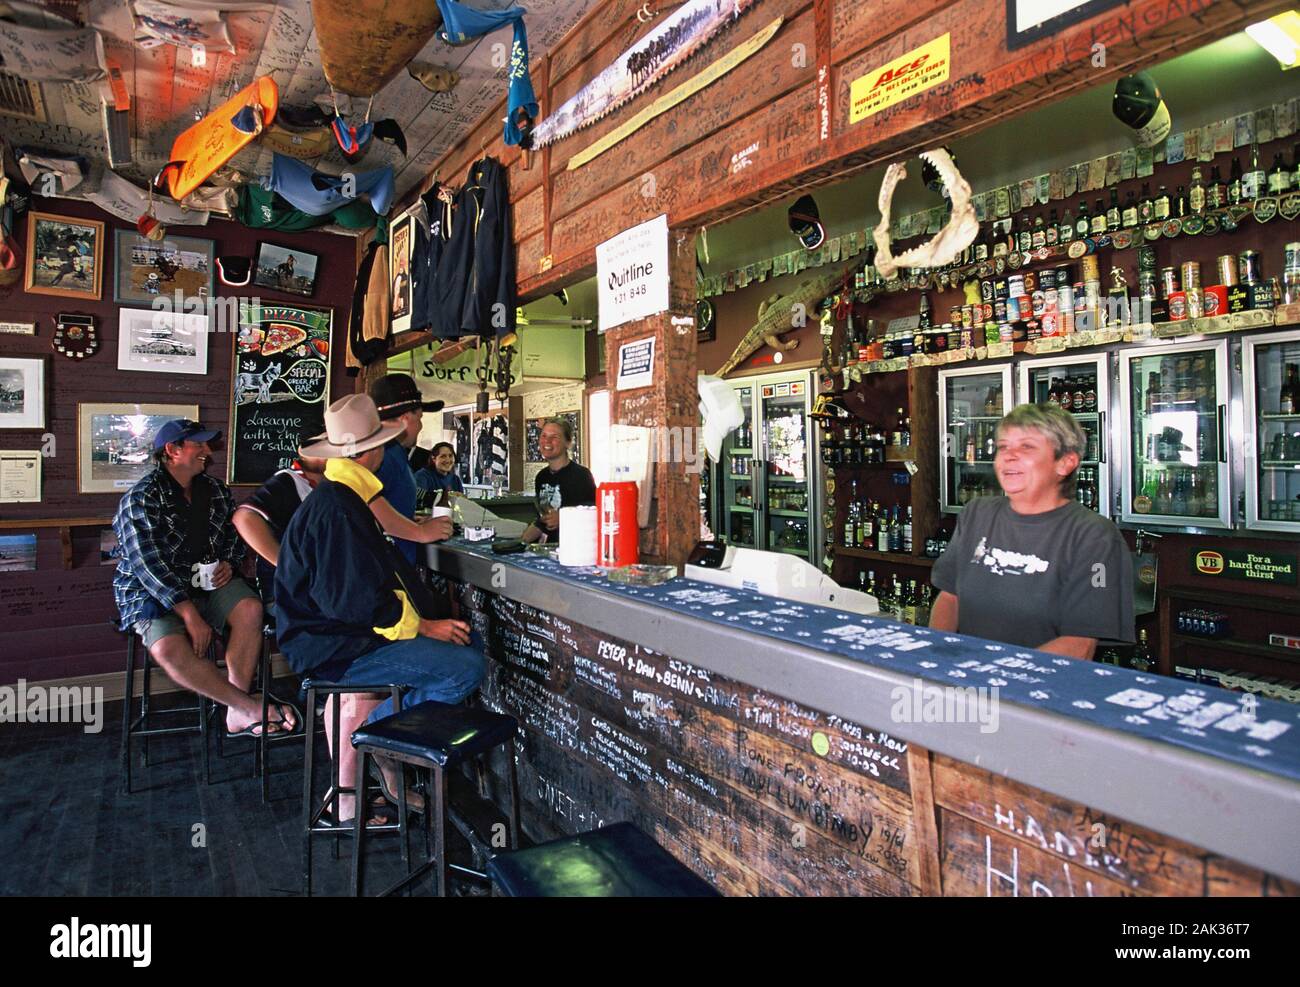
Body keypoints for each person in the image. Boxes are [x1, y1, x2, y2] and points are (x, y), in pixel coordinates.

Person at [274, 394, 484, 821]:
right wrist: (425, 628)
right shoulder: (338, 510)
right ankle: (377, 740)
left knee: (464, 649)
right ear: (370, 452)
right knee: (467, 668)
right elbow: (355, 602)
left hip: (334, 639)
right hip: (336, 650)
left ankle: (379, 741)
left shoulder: (340, 497)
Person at [112, 420, 297, 737]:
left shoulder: (215, 491)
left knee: (250, 609)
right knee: (167, 649)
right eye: (198, 445)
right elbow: (148, 566)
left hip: (207, 582)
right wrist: (189, 613)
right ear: (172, 450)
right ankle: (248, 707)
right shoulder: (140, 499)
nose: (207, 452)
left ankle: (236, 711)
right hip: (152, 592)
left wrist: (230, 561)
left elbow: (235, 536)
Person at [929, 403, 1134, 659]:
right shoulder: (976, 514)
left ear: (1066, 463)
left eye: (1026, 447)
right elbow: (950, 597)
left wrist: (992, 674)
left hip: (1038, 690)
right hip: (970, 684)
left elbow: (1079, 643)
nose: (1009, 455)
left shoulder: (1094, 536)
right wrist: (939, 657)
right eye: (1003, 446)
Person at [232, 427, 328, 608]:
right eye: (323, 446)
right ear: (303, 451)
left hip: (315, 589)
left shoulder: (327, 484)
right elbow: (244, 517)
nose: (330, 453)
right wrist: (286, 564)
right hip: (287, 594)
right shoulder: (288, 480)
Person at [368, 373, 447, 565]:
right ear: (404, 419)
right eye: (419, 418)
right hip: (386, 569)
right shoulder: (383, 453)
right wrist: (420, 532)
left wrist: (409, 520)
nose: (420, 425)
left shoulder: (394, 451)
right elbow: (368, 499)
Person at [522, 418, 596, 544]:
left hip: (577, 548)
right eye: (544, 435)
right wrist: (519, 543)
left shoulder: (581, 475)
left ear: (568, 443)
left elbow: (594, 515)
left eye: (554, 437)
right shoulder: (541, 477)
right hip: (549, 549)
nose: (547, 441)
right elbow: (542, 521)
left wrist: (563, 518)